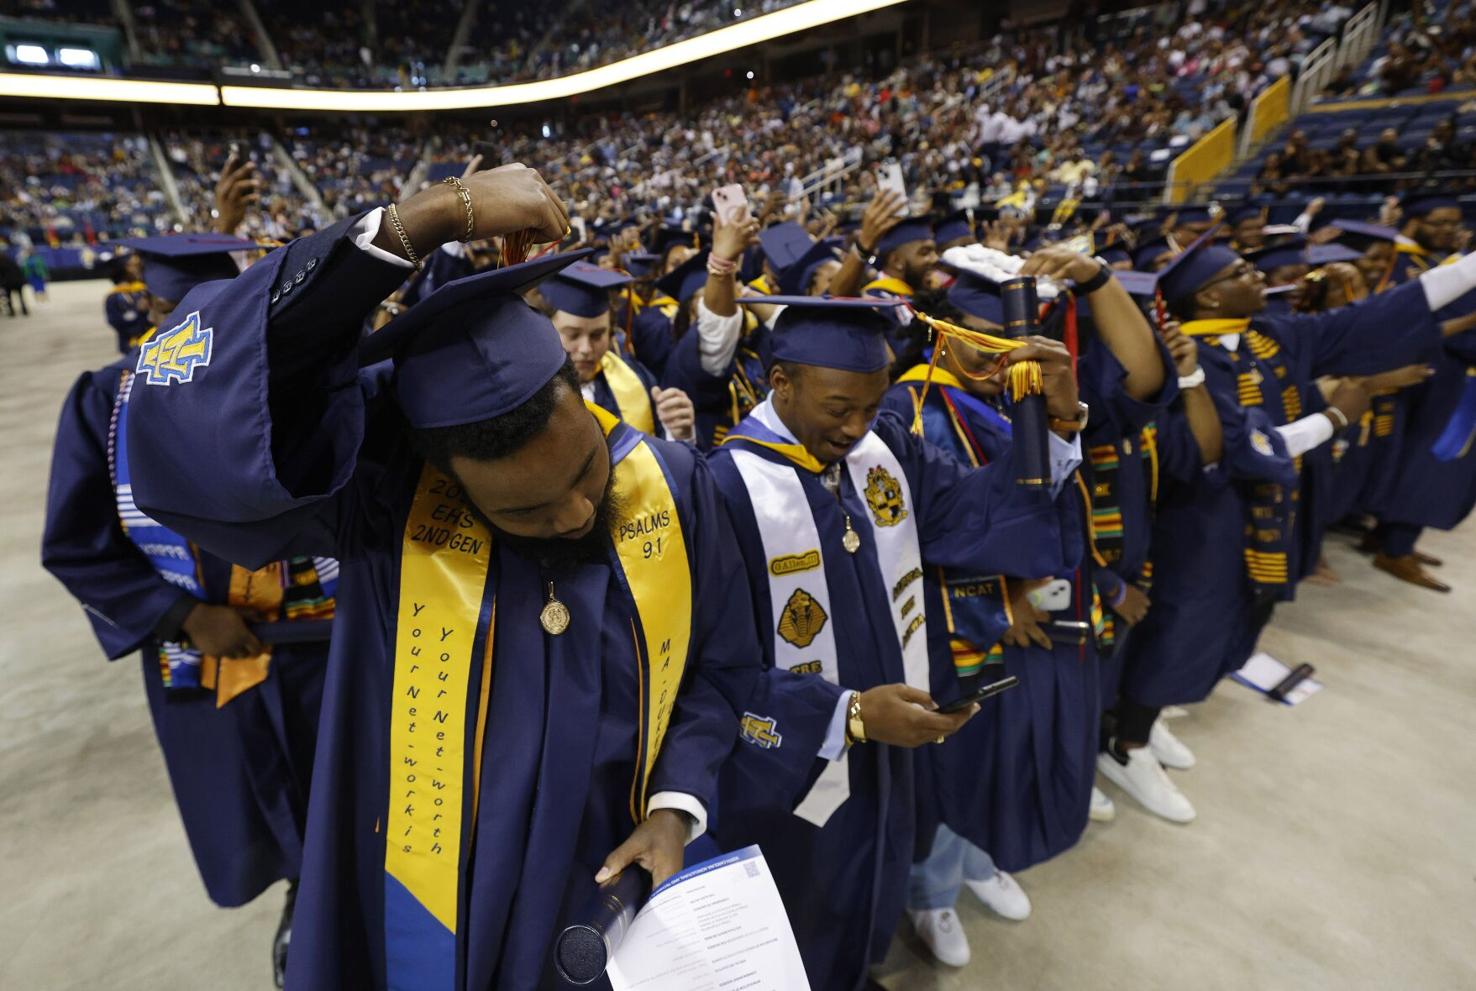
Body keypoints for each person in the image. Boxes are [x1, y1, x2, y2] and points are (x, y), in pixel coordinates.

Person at [121, 165, 761, 989]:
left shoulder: (678, 488)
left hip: (624, 871)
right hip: (437, 885)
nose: (571, 514)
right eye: (526, 510)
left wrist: (678, 805)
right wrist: (416, 223)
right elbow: (196, 421)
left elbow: (724, 667)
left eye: (584, 470)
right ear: (446, 477)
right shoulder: (387, 511)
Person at [707, 294, 1085, 990]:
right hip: (790, 769)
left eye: (872, 404)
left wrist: (1054, 420)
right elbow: (715, 671)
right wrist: (845, 713)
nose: (856, 427)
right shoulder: (723, 488)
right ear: (780, 382)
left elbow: (979, 514)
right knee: (802, 902)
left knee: (875, 873)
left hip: (890, 743)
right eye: (838, 408)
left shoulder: (887, 450)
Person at [1104, 229, 1476, 821]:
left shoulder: (1269, 337)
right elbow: (1242, 448)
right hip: (1203, 522)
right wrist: (1334, 417)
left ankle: (1150, 715)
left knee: (1240, 620)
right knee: (1183, 631)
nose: (1260, 278)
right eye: (1240, 273)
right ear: (1208, 299)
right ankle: (1127, 745)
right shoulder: (1182, 361)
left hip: (1267, 512)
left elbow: (1374, 317)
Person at [41, 235, 329, 988]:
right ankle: (303, 909)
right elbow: (76, 545)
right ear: (146, 308)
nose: (183, 329)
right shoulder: (106, 402)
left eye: (208, 310)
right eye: (169, 310)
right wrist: (180, 615)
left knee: (346, 787)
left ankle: (337, 896)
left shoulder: (283, 382)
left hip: (321, 641)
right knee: (255, 801)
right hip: (205, 654)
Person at [885, 245, 1170, 967]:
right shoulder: (907, 405)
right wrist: (1003, 588)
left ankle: (977, 857)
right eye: (978, 342)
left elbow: (1058, 502)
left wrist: (1063, 409)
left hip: (1035, 611)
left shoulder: (1023, 395)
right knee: (957, 756)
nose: (993, 360)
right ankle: (932, 891)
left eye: (1007, 346)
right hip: (954, 623)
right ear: (942, 329)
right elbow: (930, 526)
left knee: (1004, 754)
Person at [1371, 193, 1476, 590]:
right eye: (1441, 222)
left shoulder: (1445, 266)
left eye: (1455, 223)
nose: (1450, 231)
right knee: (1431, 463)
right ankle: (1395, 548)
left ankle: (1390, 538)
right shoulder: (1449, 271)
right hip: (1445, 378)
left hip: (1448, 379)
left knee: (1422, 461)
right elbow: (1451, 329)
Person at [535, 260, 696, 441]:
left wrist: (678, 434)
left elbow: (661, 455)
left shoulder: (636, 377)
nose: (586, 349)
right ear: (544, 331)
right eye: (573, 335)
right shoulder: (527, 390)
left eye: (597, 335)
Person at [105, 252, 150, 353]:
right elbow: (115, 321)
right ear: (123, 269)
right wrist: (139, 312)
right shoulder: (114, 297)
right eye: (132, 265)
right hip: (130, 346)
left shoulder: (145, 290)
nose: (138, 268)